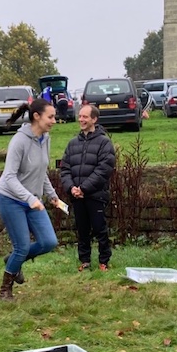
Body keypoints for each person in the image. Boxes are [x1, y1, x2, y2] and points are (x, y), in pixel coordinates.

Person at [0, 99, 61, 300]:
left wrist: (52, 195)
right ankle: (5, 291)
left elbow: (41, 172)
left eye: (54, 117)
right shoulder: (19, 141)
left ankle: (14, 260)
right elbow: (9, 177)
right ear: (36, 116)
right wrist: (29, 198)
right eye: (50, 117)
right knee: (22, 246)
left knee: (49, 241)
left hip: (33, 200)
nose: (54, 121)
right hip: (10, 199)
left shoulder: (45, 138)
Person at [60, 104, 116, 272]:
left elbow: (104, 169)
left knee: (100, 230)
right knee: (82, 230)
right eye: (80, 116)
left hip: (96, 195)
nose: (81, 120)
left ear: (94, 119)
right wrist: (71, 188)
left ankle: (104, 262)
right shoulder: (72, 144)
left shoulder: (104, 142)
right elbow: (64, 168)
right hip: (77, 197)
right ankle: (84, 261)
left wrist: (84, 188)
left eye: (85, 117)